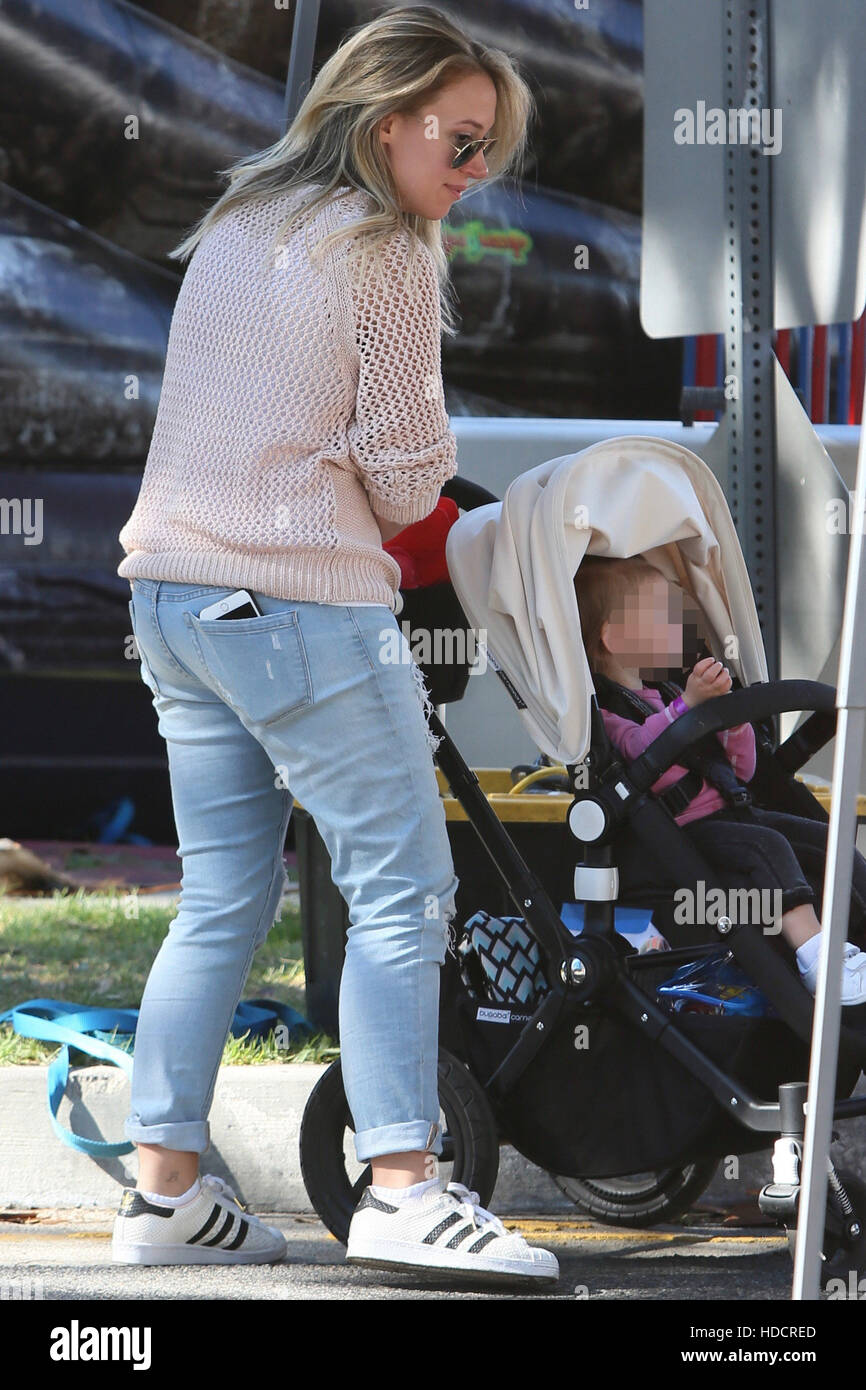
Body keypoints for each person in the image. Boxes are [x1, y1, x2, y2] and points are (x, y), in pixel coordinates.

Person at [111, 6, 558, 1285]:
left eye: (486, 153)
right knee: (406, 893)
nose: (472, 176)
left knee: (218, 896)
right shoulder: (383, 247)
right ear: (385, 118)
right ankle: (406, 1183)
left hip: (173, 598)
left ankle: (163, 1192)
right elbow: (412, 474)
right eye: (460, 143)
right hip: (298, 603)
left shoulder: (241, 219)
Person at [573, 554, 866, 1002]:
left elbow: (742, 770)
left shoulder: (670, 692)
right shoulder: (609, 716)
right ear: (614, 637)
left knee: (824, 839)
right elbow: (637, 751)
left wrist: (729, 721)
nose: (682, 628)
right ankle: (815, 956)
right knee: (768, 847)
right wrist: (688, 709)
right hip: (682, 835)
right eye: (665, 617)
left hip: (732, 813)